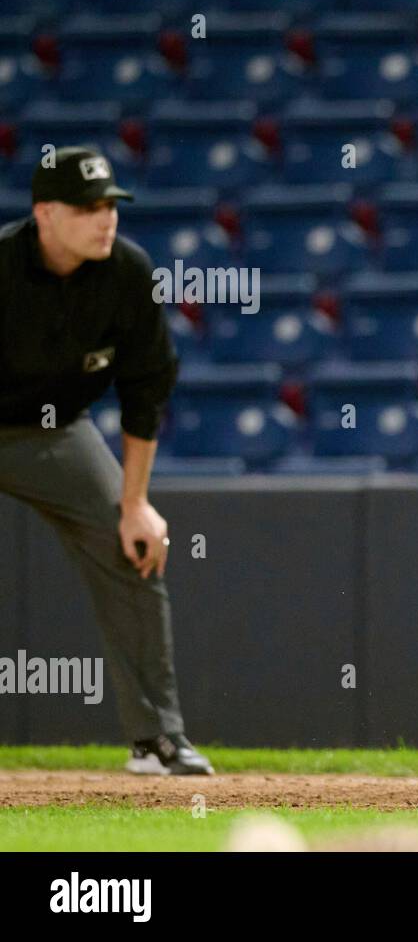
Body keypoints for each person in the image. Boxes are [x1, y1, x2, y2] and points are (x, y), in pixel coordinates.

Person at [0, 146, 212, 776]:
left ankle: (156, 740)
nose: (105, 219)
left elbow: (146, 390)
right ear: (44, 213)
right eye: (87, 208)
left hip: (57, 434)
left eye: (110, 206)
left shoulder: (125, 272)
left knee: (134, 549)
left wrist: (134, 504)